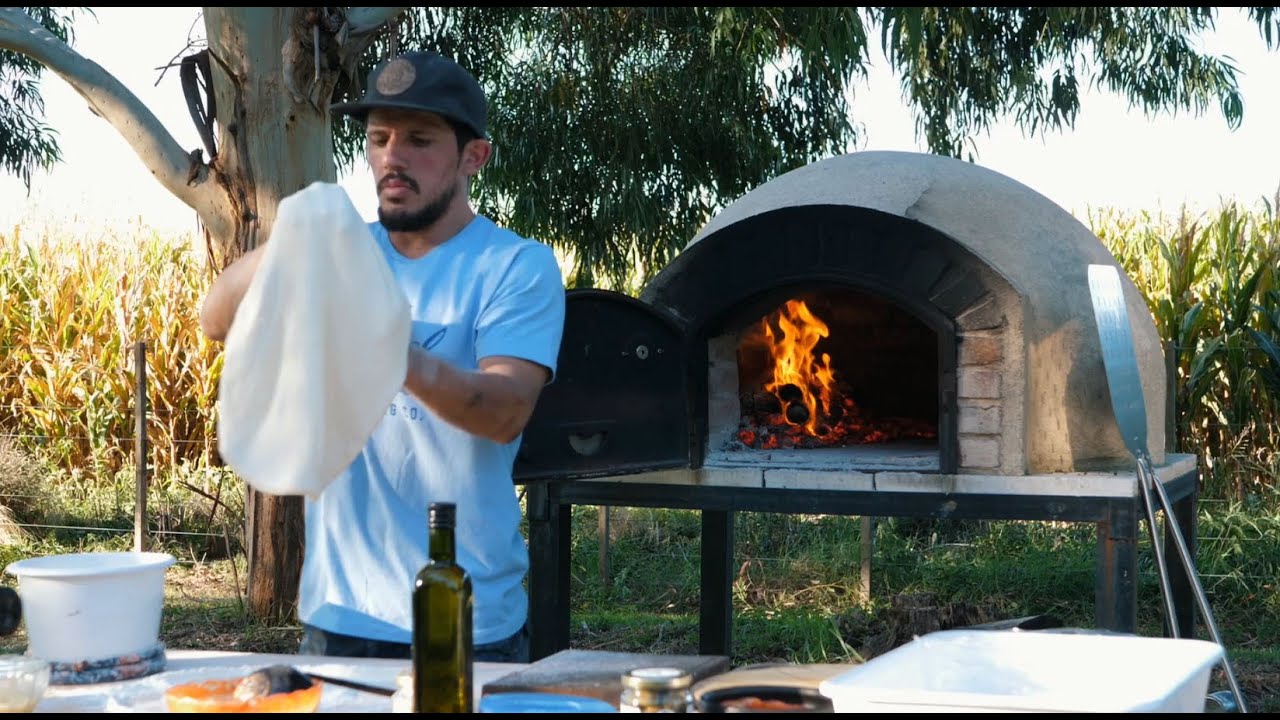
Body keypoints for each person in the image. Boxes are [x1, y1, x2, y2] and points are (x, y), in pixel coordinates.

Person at [198, 50, 567, 663]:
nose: (393, 157)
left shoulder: (514, 267)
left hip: (464, 625)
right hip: (336, 617)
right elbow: (216, 319)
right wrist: (291, 243)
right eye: (379, 139)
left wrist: (391, 348)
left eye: (419, 140)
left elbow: (504, 410)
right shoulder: (339, 255)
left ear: (473, 156)